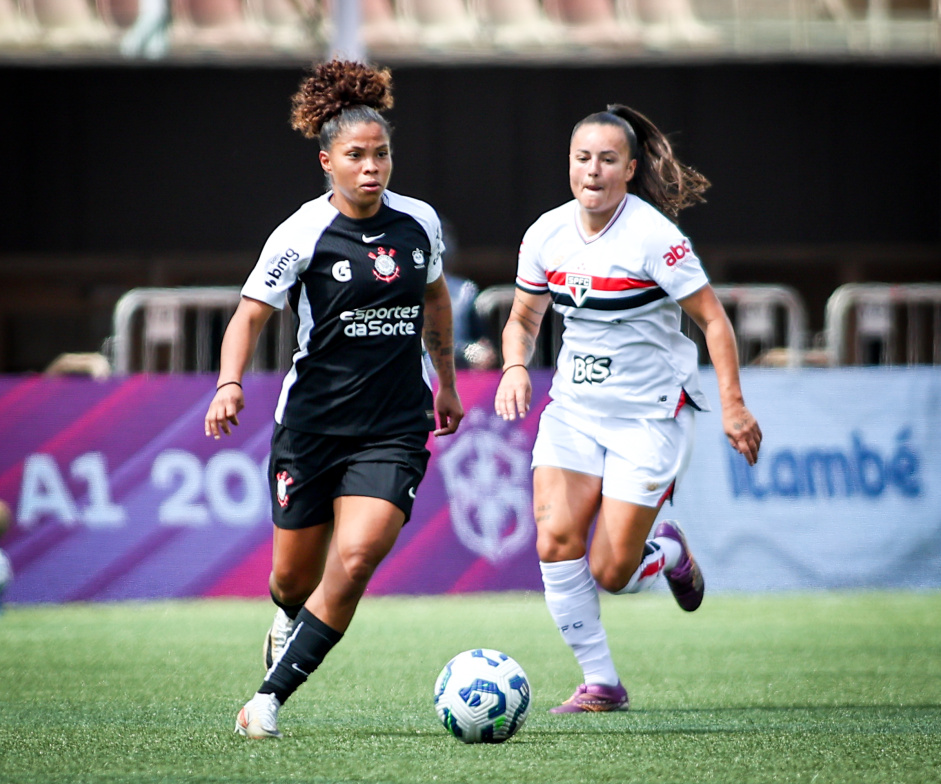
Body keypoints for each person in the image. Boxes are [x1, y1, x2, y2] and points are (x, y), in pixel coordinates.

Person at [204, 59, 463, 738]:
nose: (372, 167)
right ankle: (286, 618)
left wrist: (449, 382)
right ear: (327, 161)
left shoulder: (419, 224)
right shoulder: (300, 234)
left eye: (381, 154)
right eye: (356, 156)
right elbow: (249, 316)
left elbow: (435, 299)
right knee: (292, 580)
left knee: (355, 559)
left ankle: (268, 699)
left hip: (396, 426)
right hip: (312, 425)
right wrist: (229, 382)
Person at [494, 104, 762, 713]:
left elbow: (714, 322)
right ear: (569, 164)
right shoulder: (545, 234)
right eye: (582, 158)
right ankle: (602, 684)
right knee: (554, 537)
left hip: (649, 418)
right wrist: (515, 365)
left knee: (612, 572)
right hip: (575, 412)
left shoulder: (655, 238)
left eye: (608, 160)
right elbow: (524, 318)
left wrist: (734, 406)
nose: (593, 171)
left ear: (630, 168)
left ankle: (667, 551)